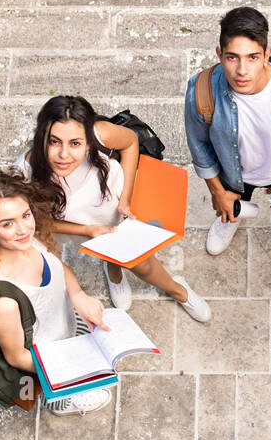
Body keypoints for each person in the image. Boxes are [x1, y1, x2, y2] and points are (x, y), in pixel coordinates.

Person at [17, 95, 211, 322]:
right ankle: (114, 270)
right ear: (41, 137)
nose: (64, 155)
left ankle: (178, 290)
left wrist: (125, 200)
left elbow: (130, 142)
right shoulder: (23, 174)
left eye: (75, 143)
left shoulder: (100, 133)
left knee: (142, 262)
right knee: (111, 251)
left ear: (87, 139)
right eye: (54, 141)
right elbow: (33, 221)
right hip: (82, 226)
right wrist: (87, 230)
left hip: (117, 205)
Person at [0, 171, 113, 416]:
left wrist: (79, 297)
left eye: (25, 215)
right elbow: (16, 358)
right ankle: (61, 404)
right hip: (47, 356)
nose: (23, 229)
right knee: (57, 393)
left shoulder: (28, 241)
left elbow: (57, 268)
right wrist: (65, 367)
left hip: (62, 325)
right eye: (7, 223)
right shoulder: (3, 303)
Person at [184, 7, 271, 267]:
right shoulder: (200, 90)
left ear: (267, 55)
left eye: (252, 57)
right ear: (219, 54)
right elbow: (200, 146)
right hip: (234, 173)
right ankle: (230, 218)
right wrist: (217, 192)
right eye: (232, 57)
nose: (242, 70)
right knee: (231, 203)